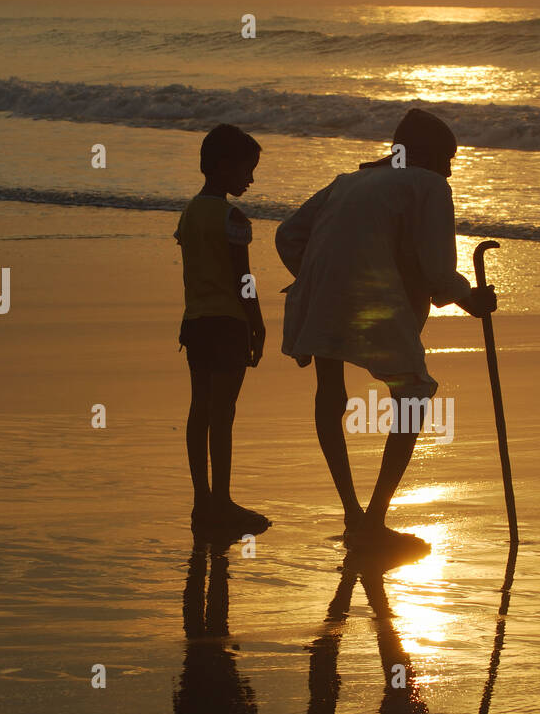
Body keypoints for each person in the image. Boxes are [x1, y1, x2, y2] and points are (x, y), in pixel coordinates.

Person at [275, 109, 496, 547]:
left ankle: (353, 514)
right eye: (446, 157)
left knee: (331, 395)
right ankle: (373, 520)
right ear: (424, 154)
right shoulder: (430, 184)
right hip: (376, 303)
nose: (450, 169)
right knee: (412, 395)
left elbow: (287, 235)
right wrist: (472, 300)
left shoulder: (347, 182)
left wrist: (322, 276)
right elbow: (437, 271)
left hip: (321, 296)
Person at [175, 124, 269, 535]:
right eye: (247, 170)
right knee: (223, 414)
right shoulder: (233, 217)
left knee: (200, 411)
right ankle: (223, 501)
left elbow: (195, 269)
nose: (250, 179)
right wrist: (258, 323)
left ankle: (203, 501)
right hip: (228, 323)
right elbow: (242, 278)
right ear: (225, 166)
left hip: (195, 322)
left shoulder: (190, 212)